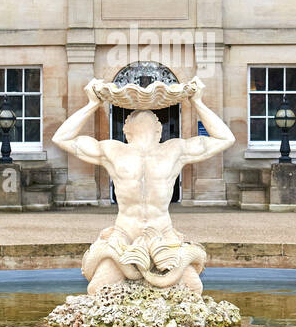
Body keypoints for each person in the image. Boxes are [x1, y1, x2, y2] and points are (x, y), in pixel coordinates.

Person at [53, 77, 234, 294]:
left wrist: (92, 103)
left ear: (125, 132)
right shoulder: (173, 150)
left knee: (99, 290)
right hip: (128, 236)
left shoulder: (115, 150)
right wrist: (197, 102)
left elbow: (62, 138)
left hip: (157, 236)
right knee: (192, 288)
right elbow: (224, 138)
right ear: (160, 132)